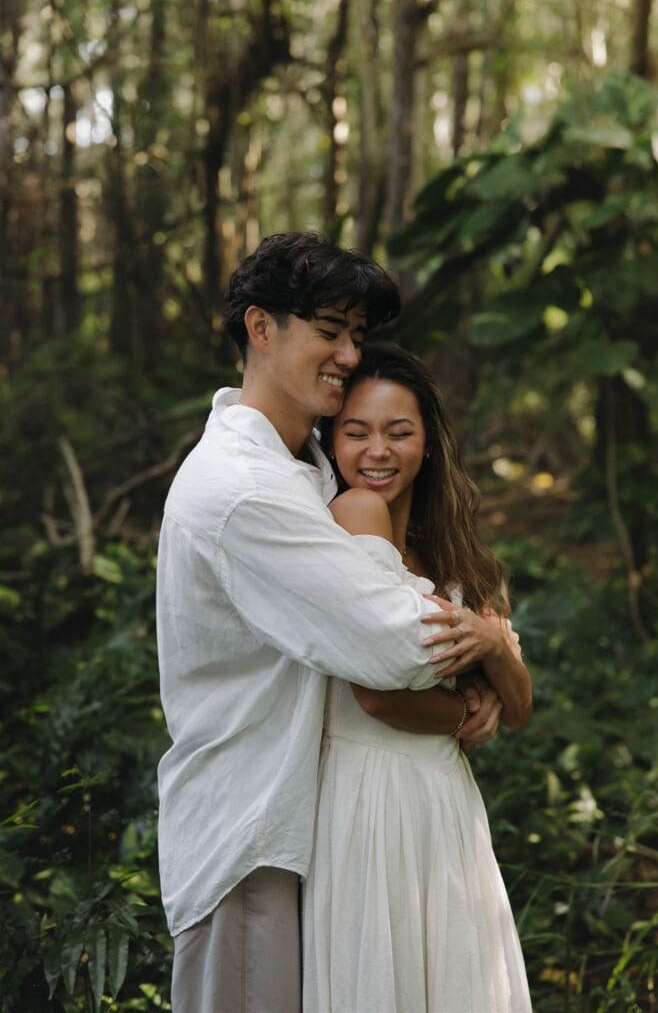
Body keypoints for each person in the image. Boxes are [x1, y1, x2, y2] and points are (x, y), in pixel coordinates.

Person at [155, 233, 502, 1013]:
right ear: (260, 328)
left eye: (356, 334)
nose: (348, 353)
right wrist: (480, 664)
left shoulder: (303, 463)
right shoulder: (243, 491)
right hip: (249, 841)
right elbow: (395, 644)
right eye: (327, 329)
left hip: (314, 830)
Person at [303, 342, 533, 1013]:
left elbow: (517, 706)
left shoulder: (447, 547)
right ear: (330, 441)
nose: (377, 451)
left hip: (442, 795)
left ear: (426, 442)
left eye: (398, 432)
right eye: (356, 432)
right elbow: (376, 694)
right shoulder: (352, 516)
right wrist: (468, 706)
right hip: (373, 794)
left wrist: (491, 640)